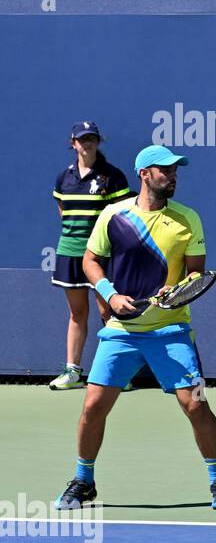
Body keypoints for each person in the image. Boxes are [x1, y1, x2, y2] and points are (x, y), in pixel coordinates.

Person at [55, 145, 216, 511]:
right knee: (92, 407)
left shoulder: (187, 219)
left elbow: (197, 274)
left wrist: (179, 290)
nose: (173, 176)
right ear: (144, 174)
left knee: (196, 405)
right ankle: (83, 480)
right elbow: (90, 261)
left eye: (175, 171)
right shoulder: (113, 215)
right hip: (121, 332)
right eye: (165, 170)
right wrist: (110, 293)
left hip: (171, 331)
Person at [49, 121, 132, 390]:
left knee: (107, 311)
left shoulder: (113, 176)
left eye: (92, 139)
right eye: (82, 139)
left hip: (101, 255)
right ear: (73, 143)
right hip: (69, 253)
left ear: (98, 142)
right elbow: (63, 209)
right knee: (77, 313)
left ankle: (118, 374)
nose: (88, 143)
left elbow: (122, 216)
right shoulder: (63, 178)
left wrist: (100, 243)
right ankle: (73, 372)